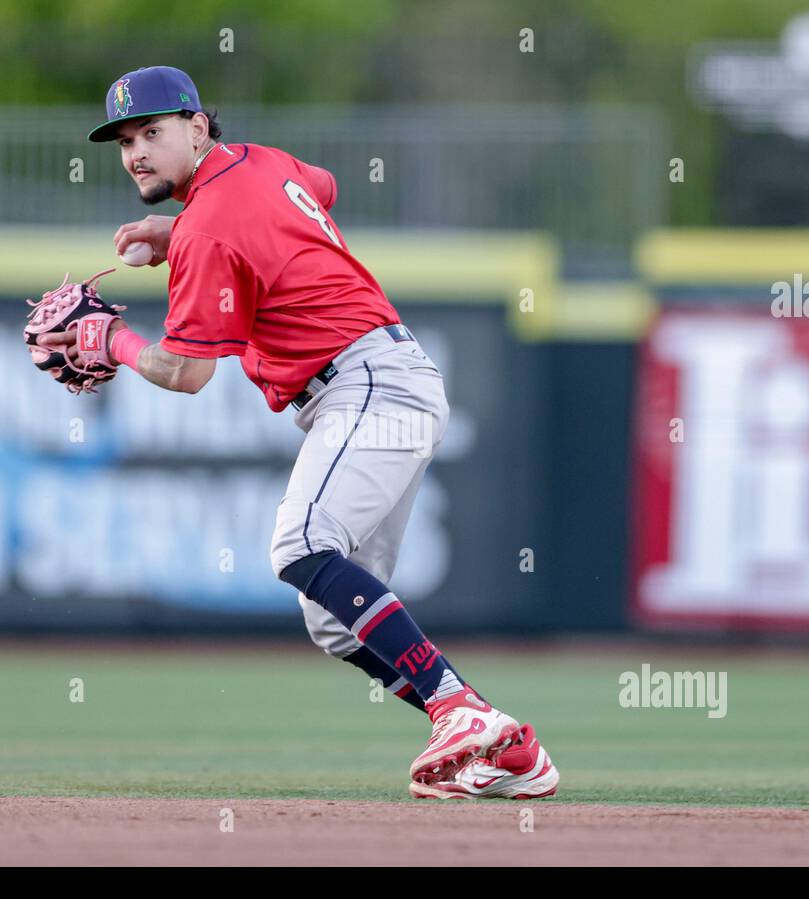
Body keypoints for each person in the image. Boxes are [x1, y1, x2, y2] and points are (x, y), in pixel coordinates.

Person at [41, 65, 558, 799]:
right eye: (124, 141)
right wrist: (180, 227)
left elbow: (187, 374)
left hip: (367, 385)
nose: (136, 153)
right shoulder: (261, 161)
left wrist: (108, 340)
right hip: (384, 381)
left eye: (152, 132)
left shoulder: (209, 228)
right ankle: (510, 753)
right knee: (334, 621)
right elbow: (320, 187)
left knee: (301, 545)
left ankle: (458, 712)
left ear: (197, 126)